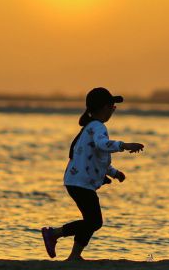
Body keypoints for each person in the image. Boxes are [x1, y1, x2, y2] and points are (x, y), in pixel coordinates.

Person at [41, 87, 145, 260]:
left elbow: (97, 156)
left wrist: (114, 172)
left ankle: (74, 256)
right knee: (94, 222)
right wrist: (125, 145)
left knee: (92, 221)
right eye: (112, 106)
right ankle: (53, 234)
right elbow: (102, 144)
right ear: (104, 107)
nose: (114, 109)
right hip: (79, 183)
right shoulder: (98, 127)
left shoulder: (91, 127)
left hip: (78, 182)